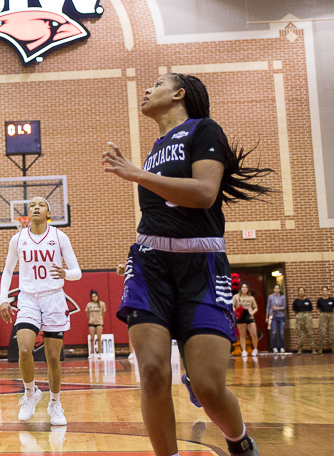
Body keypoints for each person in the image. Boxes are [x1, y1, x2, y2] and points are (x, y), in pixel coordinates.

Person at [103, 72, 273, 456]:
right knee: (152, 372)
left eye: (158, 84)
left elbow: (205, 193)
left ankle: (239, 441)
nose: (148, 89)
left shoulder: (204, 130)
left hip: (201, 267)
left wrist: (136, 173)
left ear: (179, 94)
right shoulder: (157, 147)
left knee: (209, 387)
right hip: (151, 266)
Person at [0, 196, 82, 424]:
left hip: (53, 298)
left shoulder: (59, 237)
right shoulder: (18, 239)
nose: (36, 207)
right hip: (28, 299)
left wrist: (65, 273)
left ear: (48, 213)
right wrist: (3, 298)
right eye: (32, 205)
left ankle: (55, 403)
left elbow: (77, 272)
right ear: (29, 213)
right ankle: (30, 393)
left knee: (53, 357)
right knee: (24, 349)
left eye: (41, 205)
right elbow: (7, 271)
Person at [232, 283, 259, 357]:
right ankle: (243, 350)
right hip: (240, 317)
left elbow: (256, 307)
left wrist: (252, 312)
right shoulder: (236, 297)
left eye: (246, 287)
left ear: (248, 289)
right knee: (242, 335)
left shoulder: (251, 298)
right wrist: (236, 311)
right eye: (243, 287)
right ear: (241, 288)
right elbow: (232, 306)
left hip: (250, 317)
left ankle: (255, 349)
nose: (244, 289)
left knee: (254, 334)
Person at [291, 288, 316, 354]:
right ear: (298, 292)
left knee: (310, 332)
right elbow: (294, 310)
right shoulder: (296, 301)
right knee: (300, 334)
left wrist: (306, 315)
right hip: (299, 316)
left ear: (304, 292)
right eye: (300, 291)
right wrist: (300, 315)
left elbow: (310, 309)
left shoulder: (308, 300)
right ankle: (299, 349)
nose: (301, 292)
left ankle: (313, 349)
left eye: (302, 291)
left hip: (307, 316)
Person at [266, 284, 286, 354]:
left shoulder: (282, 297)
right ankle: (274, 347)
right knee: (274, 332)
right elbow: (268, 307)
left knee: (281, 332)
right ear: (273, 289)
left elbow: (284, 307)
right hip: (273, 316)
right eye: (275, 288)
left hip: (281, 316)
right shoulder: (270, 297)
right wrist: (267, 317)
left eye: (278, 288)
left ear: (280, 290)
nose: (276, 290)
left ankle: (282, 347)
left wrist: (278, 308)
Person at [86, 291, 107, 358]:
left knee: (99, 338)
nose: (94, 298)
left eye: (95, 296)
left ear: (97, 296)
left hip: (99, 322)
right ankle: (92, 352)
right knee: (92, 338)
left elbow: (103, 313)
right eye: (92, 297)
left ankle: (99, 352)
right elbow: (88, 314)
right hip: (91, 322)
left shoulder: (102, 304)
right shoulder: (89, 304)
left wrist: (99, 319)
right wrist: (91, 319)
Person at [316, 287, 334, 354]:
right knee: (322, 332)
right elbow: (318, 309)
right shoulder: (319, 300)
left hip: (331, 315)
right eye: (323, 290)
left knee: (332, 333)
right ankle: (320, 349)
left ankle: (333, 349)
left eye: (326, 290)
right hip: (323, 315)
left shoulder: (331, 299)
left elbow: (333, 308)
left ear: (328, 291)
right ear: (322, 292)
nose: (325, 292)